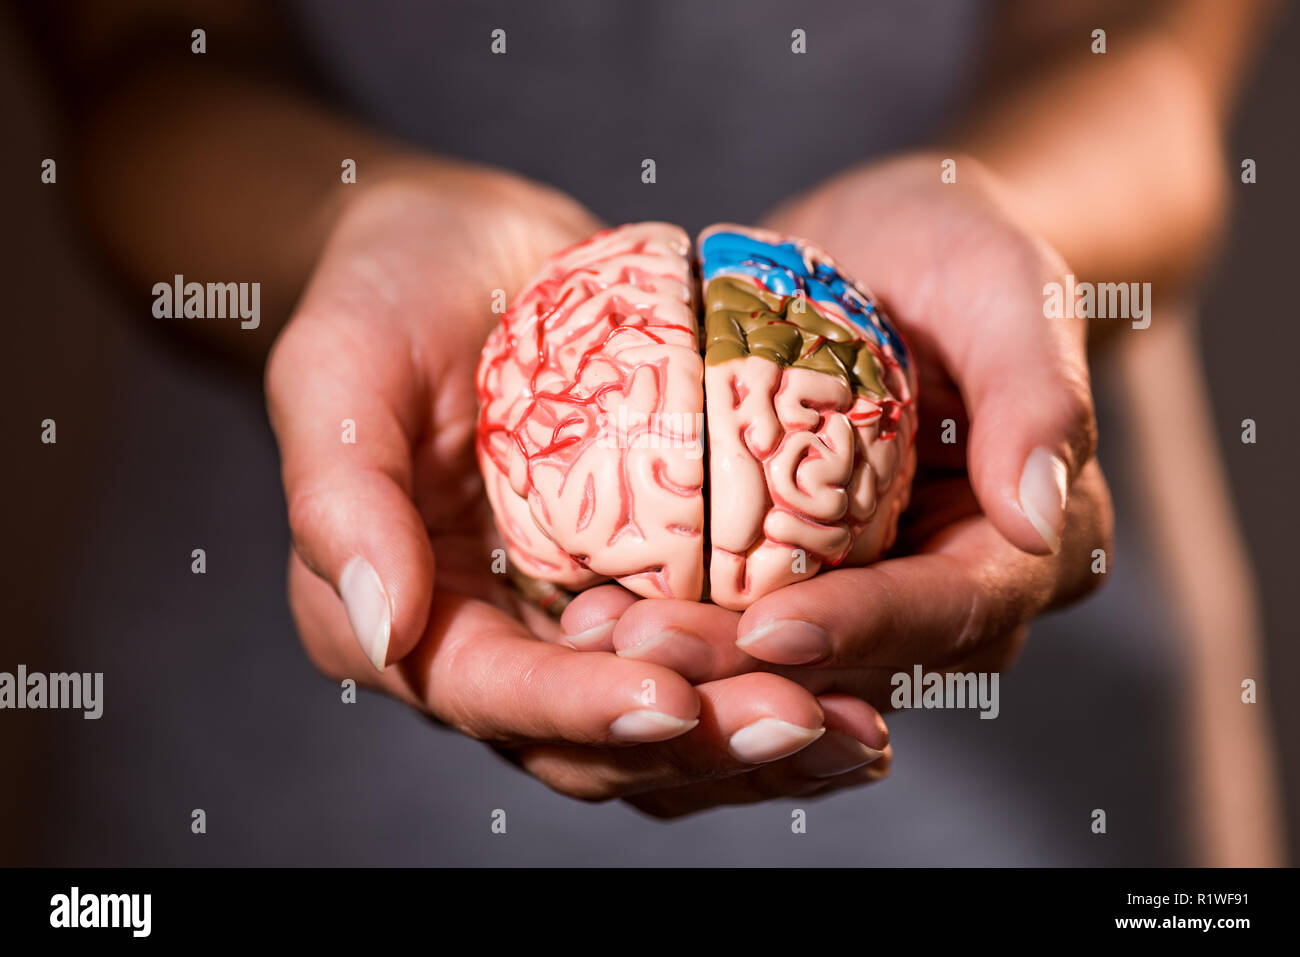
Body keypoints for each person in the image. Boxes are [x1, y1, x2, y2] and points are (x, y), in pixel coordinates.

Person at [21, 0, 1282, 861]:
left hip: (1037, 739)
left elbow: (1144, 56)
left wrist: (1009, 216)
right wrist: (335, 232)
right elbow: (141, 58)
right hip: (264, 763)